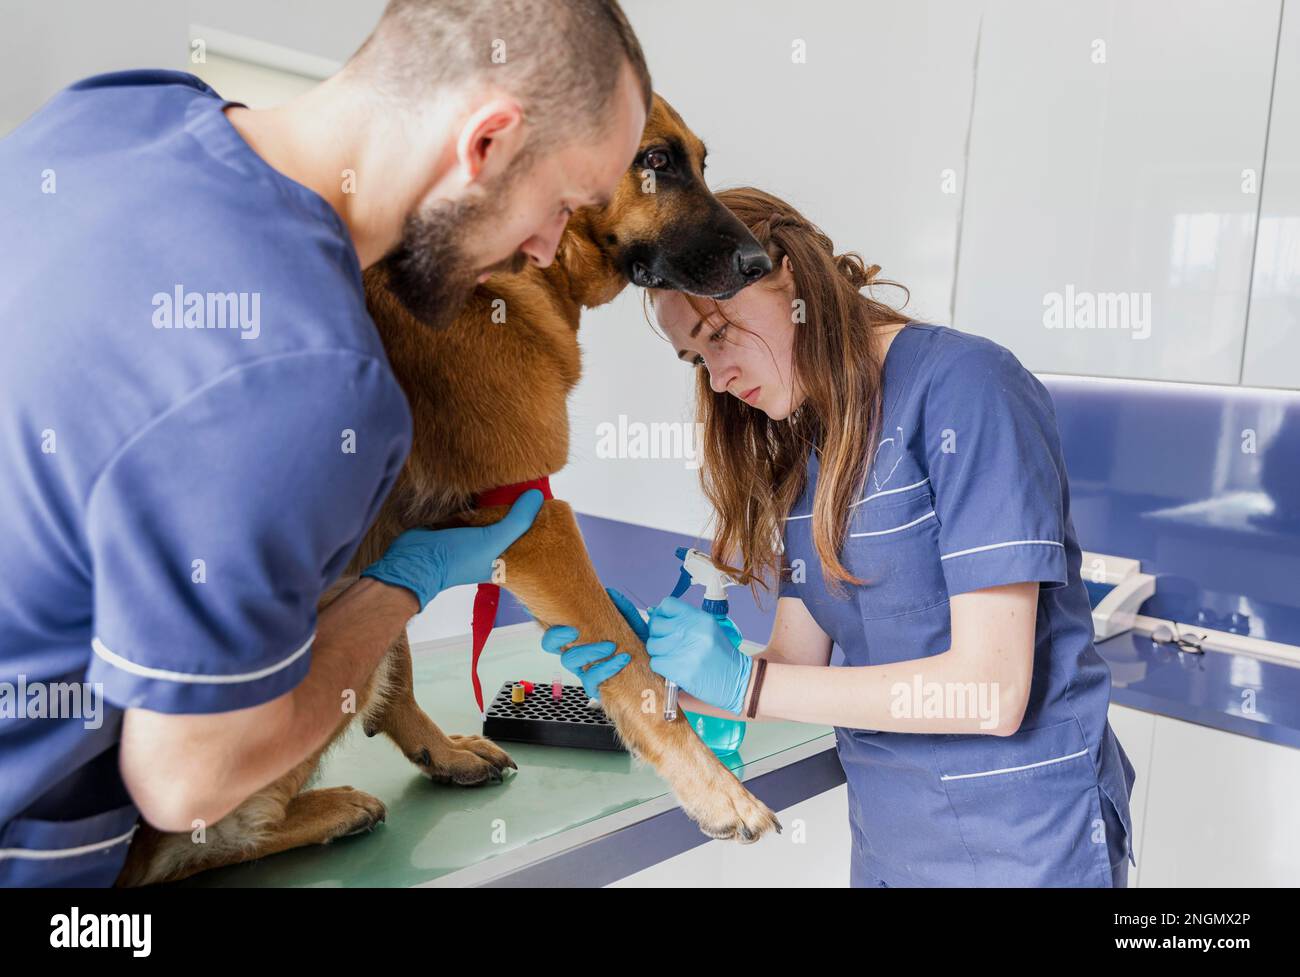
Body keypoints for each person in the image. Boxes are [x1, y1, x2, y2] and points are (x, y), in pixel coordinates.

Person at [0, 0, 651, 886]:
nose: (544, 251)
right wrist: (400, 589)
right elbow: (187, 782)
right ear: (487, 144)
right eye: (559, 206)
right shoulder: (313, 374)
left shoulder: (118, 111)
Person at [545, 186, 1137, 887]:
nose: (720, 376)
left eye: (719, 333)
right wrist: (655, 674)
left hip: (1025, 841)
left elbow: (990, 691)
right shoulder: (809, 438)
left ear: (786, 276)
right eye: (695, 359)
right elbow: (797, 661)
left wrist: (744, 683)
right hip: (891, 841)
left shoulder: (968, 387)